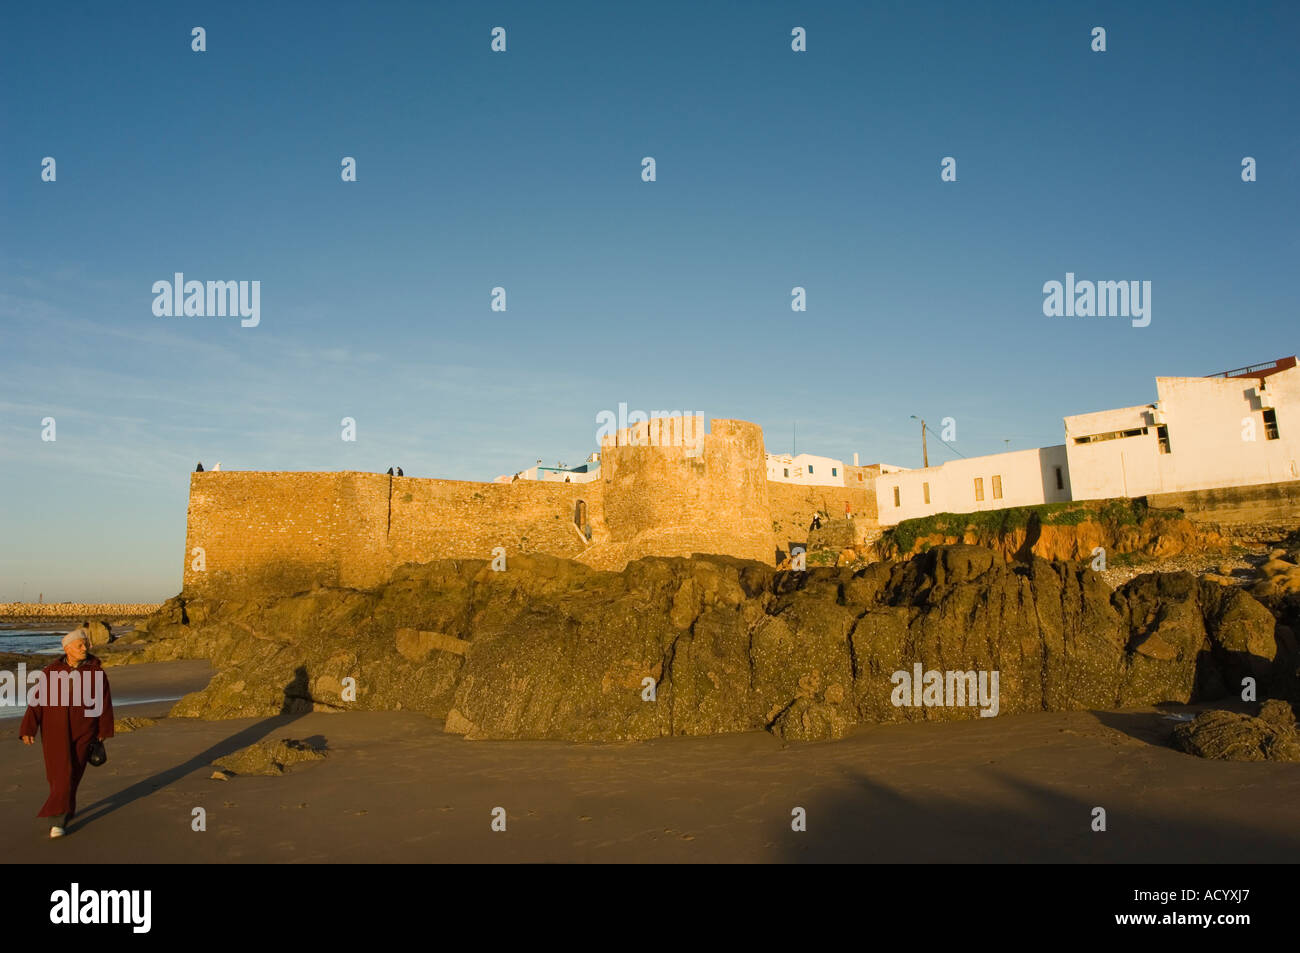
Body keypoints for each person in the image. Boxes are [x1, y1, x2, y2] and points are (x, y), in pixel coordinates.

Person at [19, 630, 114, 839]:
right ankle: (59, 819)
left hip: (84, 731)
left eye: (86, 644)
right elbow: (37, 701)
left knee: (74, 773)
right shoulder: (51, 671)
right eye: (80, 645)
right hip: (54, 731)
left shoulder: (96, 672)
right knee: (60, 775)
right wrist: (28, 728)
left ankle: (60, 816)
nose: (85, 648)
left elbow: (104, 703)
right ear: (67, 648)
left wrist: (103, 730)